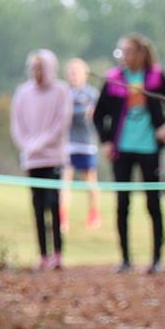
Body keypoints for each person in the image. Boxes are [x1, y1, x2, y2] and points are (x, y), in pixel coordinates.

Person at [92, 33, 165, 273]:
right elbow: (99, 114)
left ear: (141, 54)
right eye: (121, 52)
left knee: (153, 202)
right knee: (123, 203)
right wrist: (106, 141)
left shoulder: (156, 78)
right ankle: (125, 259)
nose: (124, 56)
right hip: (121, 149)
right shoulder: (114, 79)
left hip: (149, 149)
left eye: (128, 52)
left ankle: (157, 259)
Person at [11, 49, 73, 270]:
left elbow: (61, 122)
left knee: (53, 204)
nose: (37, 72)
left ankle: (58, 253)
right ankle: (43, 254)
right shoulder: (23, 93)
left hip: (53, 157)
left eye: (41, 68)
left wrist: (41, 143)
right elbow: (17, 124)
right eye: (34, 68)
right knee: (37, 206)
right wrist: (29, 145)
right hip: (32, 160)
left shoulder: (61, 90)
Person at [63, 58, 102, 229]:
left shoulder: (92, 94)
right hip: (68, 143)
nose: (73, 76)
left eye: (76, 72)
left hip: (87, 143)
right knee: (65, 180)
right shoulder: (64, 93)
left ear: (85, 74)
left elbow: (96, 114)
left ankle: (94, 215)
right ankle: (62, 217)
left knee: (90, 181)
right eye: (71, 72)